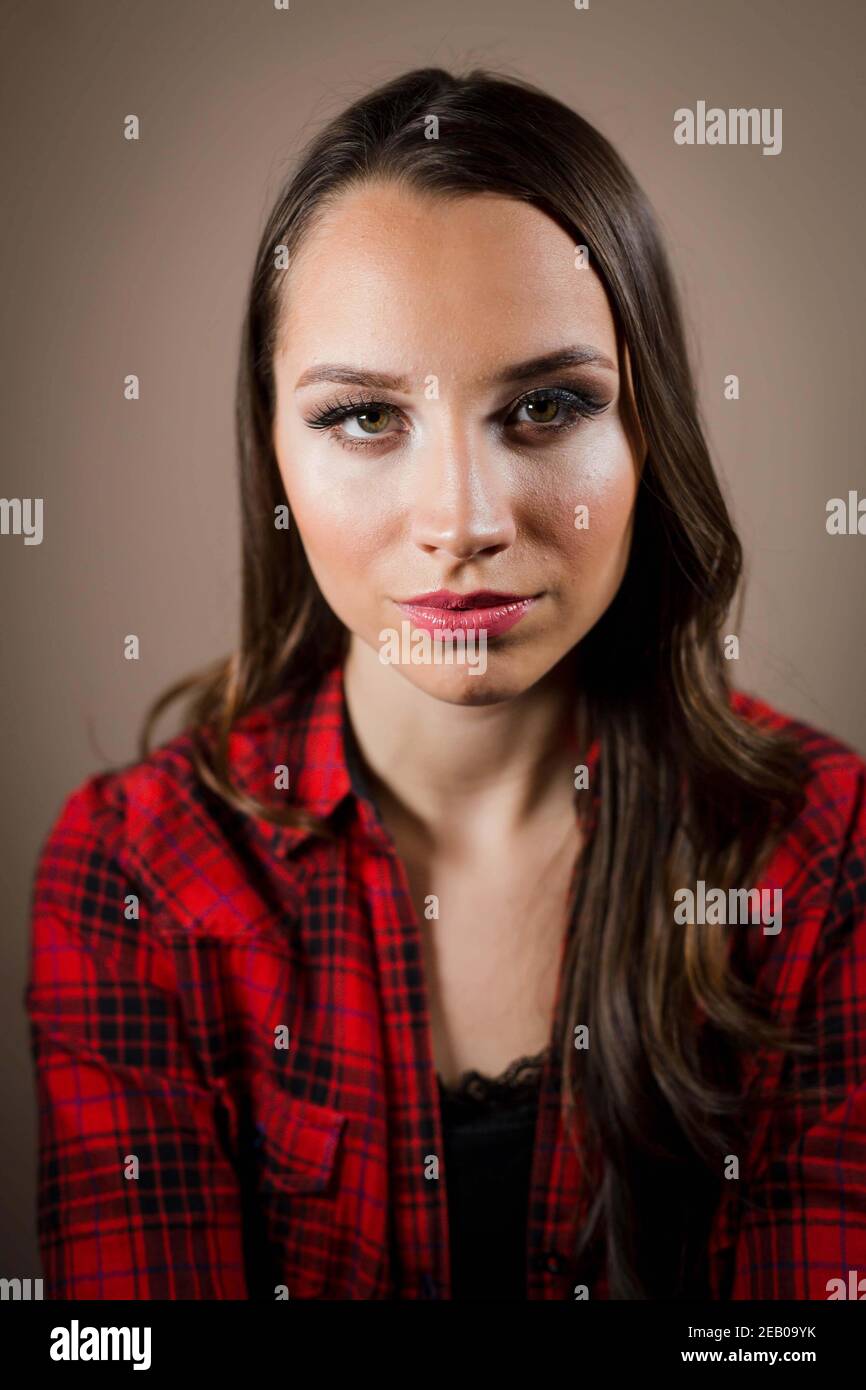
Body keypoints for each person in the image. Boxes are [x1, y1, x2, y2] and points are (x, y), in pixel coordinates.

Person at [25, 66, 866, 1301]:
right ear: (272, 445)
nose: (461, 522)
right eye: (364, 417)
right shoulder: (138, 870)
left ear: (650, 434)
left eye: (544, 405)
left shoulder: (820, 850)